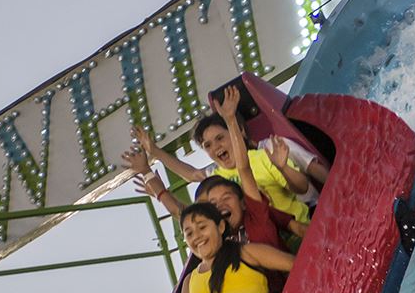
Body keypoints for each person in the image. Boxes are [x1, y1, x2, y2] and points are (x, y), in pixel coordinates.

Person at [122, 85, 314, 223]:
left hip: (300, 223)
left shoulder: (265, 154)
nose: (215, 147)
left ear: (237, 132)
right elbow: (190, 175)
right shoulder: (216, 179)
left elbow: (302, 186)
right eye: (207, 145)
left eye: (220, 138)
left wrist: (283, 167)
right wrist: (154, 152)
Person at [179, 202, 293, 293]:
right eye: (189, 233)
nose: (196, 236)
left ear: (221, 227)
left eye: (202, 227)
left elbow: (297, 264)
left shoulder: (245, 252)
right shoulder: (188, 282)